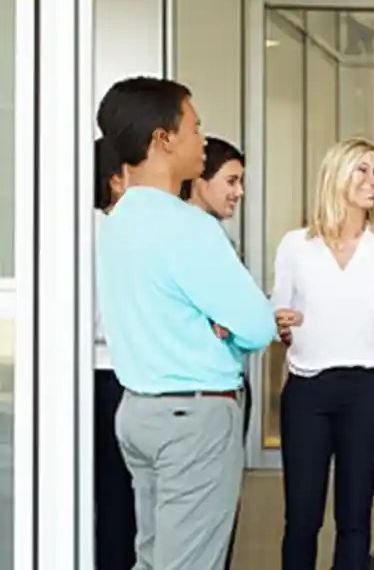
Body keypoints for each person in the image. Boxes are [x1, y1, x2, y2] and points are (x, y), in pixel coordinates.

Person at [96, 76, 277, 570]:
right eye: (195, 127)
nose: (202, 139)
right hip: (193, 420)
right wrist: (222, 325)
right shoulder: (188, 225)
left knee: (153, 557)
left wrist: (216, 320)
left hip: (138, 412)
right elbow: (258, 325)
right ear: (163, 138)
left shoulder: (118, 221)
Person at [272, 138, 374, 569]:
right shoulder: (295, 245)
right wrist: (281, 323)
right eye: (362, 170)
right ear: (336, 175)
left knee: (355, 517)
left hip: (367, 390)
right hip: (308, 391)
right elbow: (279, 314)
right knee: (302, 517)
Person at [178, 136, 251, 570]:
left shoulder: (213, 236)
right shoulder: (196, 237)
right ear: (199, 181)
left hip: (223, 385)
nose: (239, 192)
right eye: (231, 181)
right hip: (203, 397)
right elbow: (244, 324)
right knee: (202, 526)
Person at [92, 138, 134, 570]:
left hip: (100, 375)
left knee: (109, 496)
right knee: (120, 498)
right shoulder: (110, 232)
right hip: (114, 375)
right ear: (117, 180)